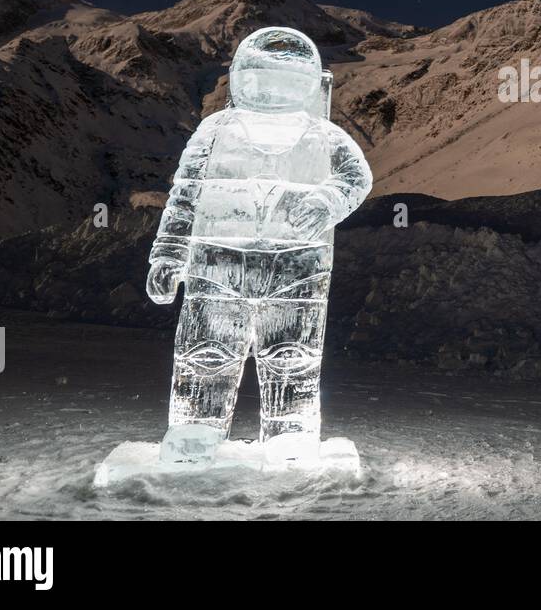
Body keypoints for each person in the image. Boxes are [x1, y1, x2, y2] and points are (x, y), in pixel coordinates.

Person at [145, 26, 371, 466]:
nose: (270, 89)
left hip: (298, 269)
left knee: (293, 356)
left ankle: (290, 432)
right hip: (215, 266)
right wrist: (170, 253)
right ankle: (196, 427)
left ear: (305, 83)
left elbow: (356, 177)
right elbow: (185, 197)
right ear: (241, 77)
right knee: (204, 353)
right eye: (262, 79)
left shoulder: (322, 134)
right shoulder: (215, 131)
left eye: (283, 81)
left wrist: (327, 200)